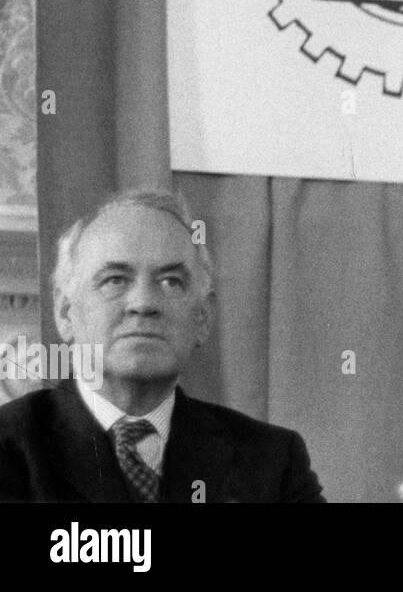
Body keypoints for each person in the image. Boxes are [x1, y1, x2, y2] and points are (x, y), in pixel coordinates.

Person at [0, 189, 325, 502]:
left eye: (171, 281)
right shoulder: (9, 448)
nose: (143, 303)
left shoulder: (273, 461)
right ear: (65, 312)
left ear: (202, 318)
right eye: (115, 279)